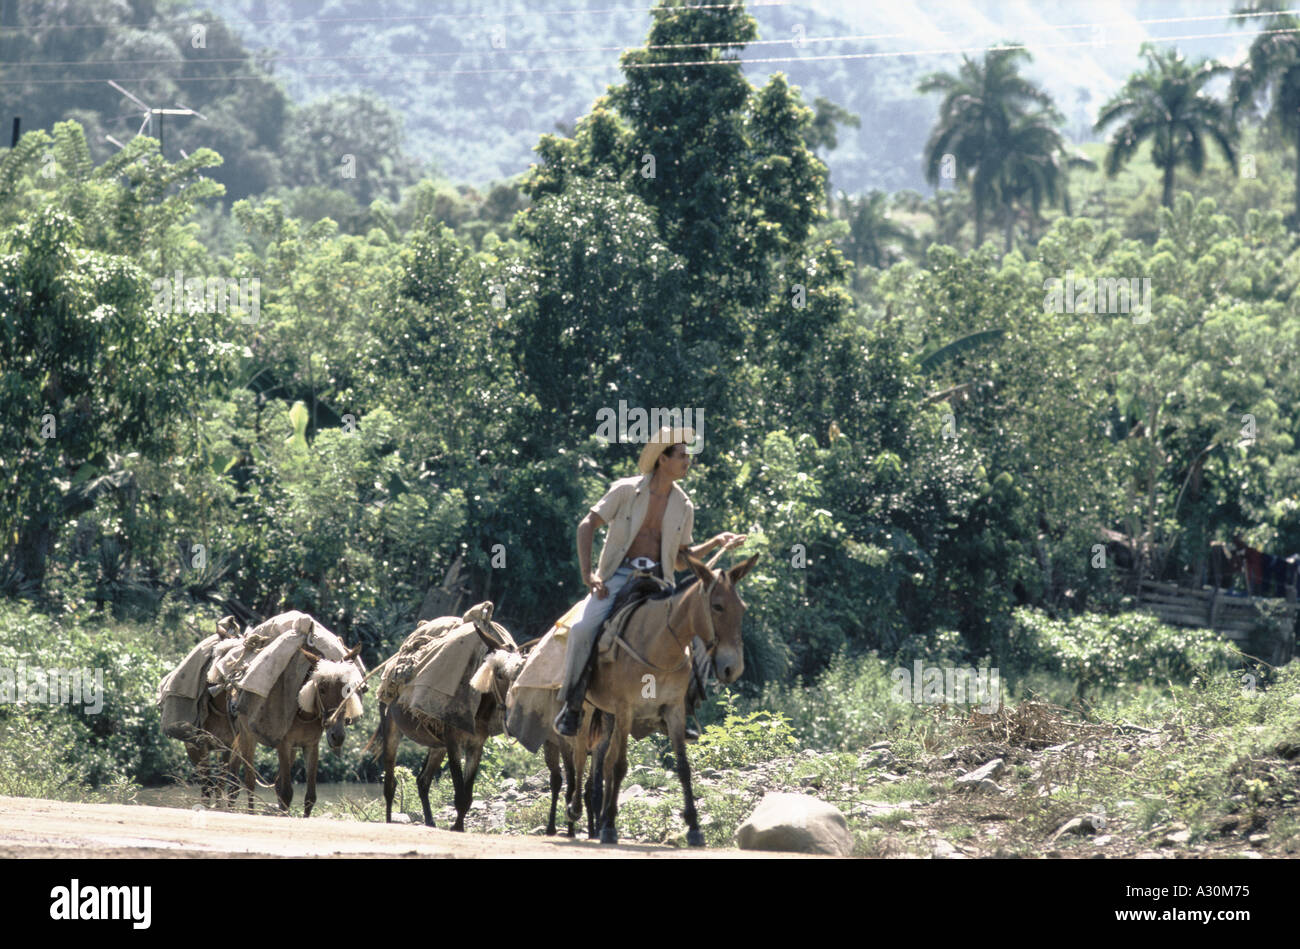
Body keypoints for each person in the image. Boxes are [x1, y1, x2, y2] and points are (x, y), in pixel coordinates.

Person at [553, 425, 746, 737]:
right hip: (617, 577)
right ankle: (571, 704)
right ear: (662, 460)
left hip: (659, 582)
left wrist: (715, 542)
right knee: (582, 629)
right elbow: (587, 525)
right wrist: (589, 574)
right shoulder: (626, 491)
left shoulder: (684, 506)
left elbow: (681, 560)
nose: (688, 461)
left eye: (689, 456)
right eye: (682, 456)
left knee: (699, 631)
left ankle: (681, 711)